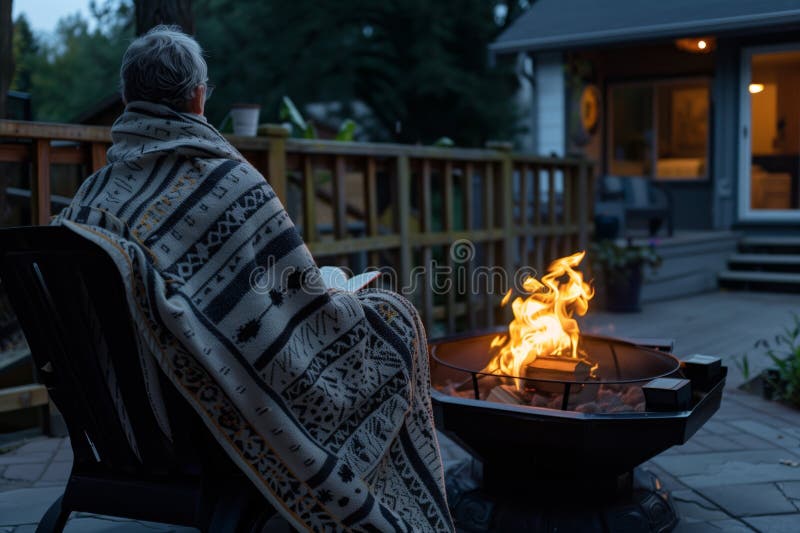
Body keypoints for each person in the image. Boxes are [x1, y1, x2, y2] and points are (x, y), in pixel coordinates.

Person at [55, 25, 453, 532]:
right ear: (198, 96)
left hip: (119, 426)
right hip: (201, 430)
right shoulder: (226, 181)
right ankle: (347, 491)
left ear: (129, 98)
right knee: (394, 320)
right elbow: (298, 305)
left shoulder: (90, 200)